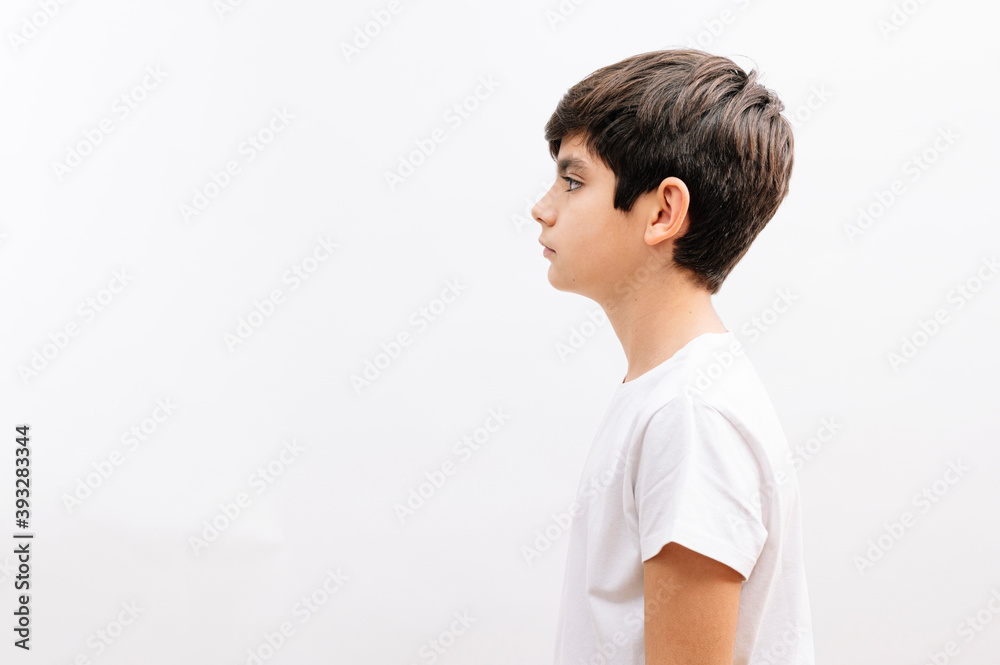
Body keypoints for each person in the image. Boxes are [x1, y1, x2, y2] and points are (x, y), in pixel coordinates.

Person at [532, 48, 815, 664]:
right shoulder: (669, 397)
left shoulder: (689, 417)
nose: (543, 207)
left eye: (573, 181)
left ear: (663, 212)